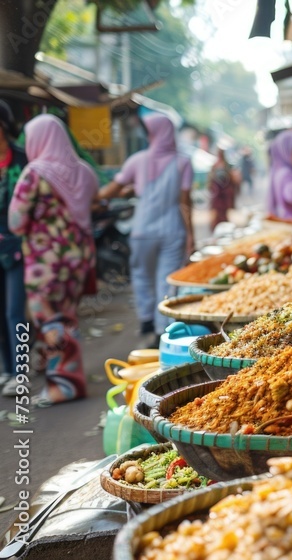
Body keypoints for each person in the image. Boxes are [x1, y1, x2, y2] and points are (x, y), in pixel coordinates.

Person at [7, 114, 98, 406]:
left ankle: (62, 387)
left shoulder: (35, 172)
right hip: (79, 259)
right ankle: (71, 379)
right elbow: (93, 201)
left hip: (46, 264)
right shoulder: (84, 171)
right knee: (67, 318)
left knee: (50, 321)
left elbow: (16, 221)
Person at [96, 113, 194, 343]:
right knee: (167, 279)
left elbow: (108, 192)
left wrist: (92, 199)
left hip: (142, 230)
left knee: (141, 275)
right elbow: (185, 203)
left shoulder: (137, 160)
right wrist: (191, 235)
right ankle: (164, 330)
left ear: (151, 134)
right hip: (173, 230)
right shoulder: (183, 162)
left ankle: (146, 320)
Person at [0, 100, 28, 397]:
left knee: (14, 312)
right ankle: (7, 370)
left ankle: (20, 374)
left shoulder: (23, 160)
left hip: (20, 246)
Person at [208, 147, 236, 229]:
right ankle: (216, 226)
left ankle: (224, 225)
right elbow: (211, 178)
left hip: (224, 193)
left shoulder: (226, 165)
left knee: (223, 211)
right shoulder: (215, 165)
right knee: (217, 211)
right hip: (217, 193)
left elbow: (230, 178)